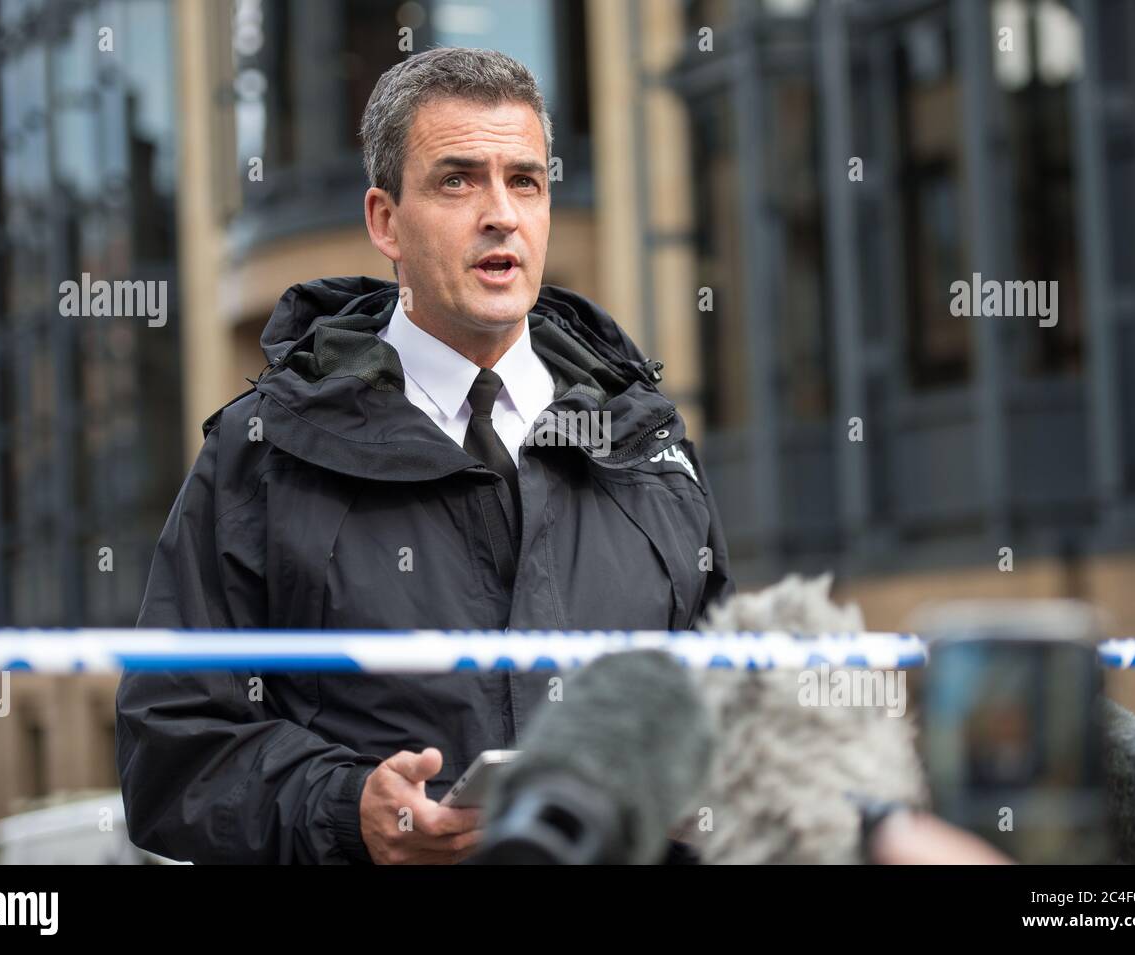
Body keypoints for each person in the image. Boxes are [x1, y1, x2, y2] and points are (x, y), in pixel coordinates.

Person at [115, 47, 734, 865]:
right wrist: (345, 809)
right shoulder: (258, 455)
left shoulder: (643, 444)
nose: (501, 213)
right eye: (457, 179)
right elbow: (170, 755)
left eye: (525, 181)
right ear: (385, 221)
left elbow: (728, 712)